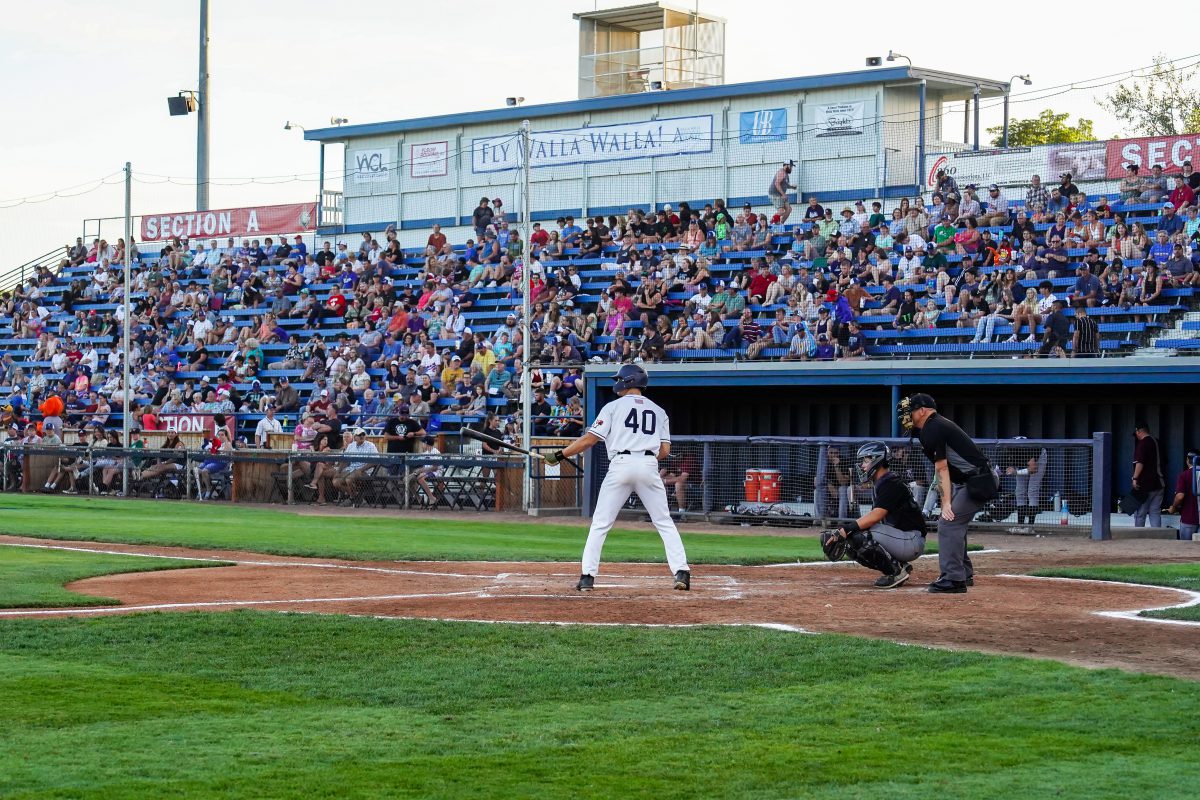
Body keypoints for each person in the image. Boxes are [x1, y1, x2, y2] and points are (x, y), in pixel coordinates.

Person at [543, 364, 690, 592]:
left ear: (629, 381)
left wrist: (560, 454)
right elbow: (664, 452)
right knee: (664, 521)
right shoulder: (659, 411)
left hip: (621, 464)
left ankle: (587, 577)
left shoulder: (612, 407)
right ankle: (682, 572)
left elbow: (589, 440)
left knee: (601, 524)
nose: (617, 383)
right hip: (649, 464)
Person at [898, 393, 996, 593]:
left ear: (923, 411)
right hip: (968, 480)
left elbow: (942, 468)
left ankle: (953, 579)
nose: (906, 416)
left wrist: (946, 504)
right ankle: (964, 573)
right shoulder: (933, 426)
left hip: (979, 480)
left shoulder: (933, 427)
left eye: (911, 411)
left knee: (948, 522)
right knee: (955, 523)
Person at [819, 442, 927, 589]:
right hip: (901, 538)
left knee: (860, 535)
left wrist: (846, 529)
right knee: (852, 539)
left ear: (877, 460)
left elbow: (876, 516)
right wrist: (848, 531)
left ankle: (896, 572)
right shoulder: (881, 483)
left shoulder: (890, 483)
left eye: (866, 460)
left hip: (911, 540)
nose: (862, 465)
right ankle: (898, 565)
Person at [1131, 421, 1164, 528]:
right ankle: (1157, 537)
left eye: (1136, 433)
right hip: (1159, 483)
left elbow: (1140, 463)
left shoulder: (1142, 444)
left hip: (1145, 485)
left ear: (1139, 431)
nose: (1136, 435)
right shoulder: (1157, 442)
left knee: (1140, 513)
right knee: (1155, 512)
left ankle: (1139, 538)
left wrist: (1135, 478)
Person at [1166, 450, 1200, 541]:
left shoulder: (1184, 475)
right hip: (1193, 517)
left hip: (1190, 518)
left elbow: (1180, 496)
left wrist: (1173, 507)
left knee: (1186, 549)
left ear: (1187, 460)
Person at [769, 160, 795, 225]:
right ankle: (771, 222)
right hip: (775, 194)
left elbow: (785, 185)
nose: (791, 168)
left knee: (788, 209)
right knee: (781, 211)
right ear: (786, 165)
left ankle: (781, 223)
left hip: (781, 195)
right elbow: (777, 183)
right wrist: (783, 194)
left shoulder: (786, 175)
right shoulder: (781, 172)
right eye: (790, 166)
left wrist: (792, 187)